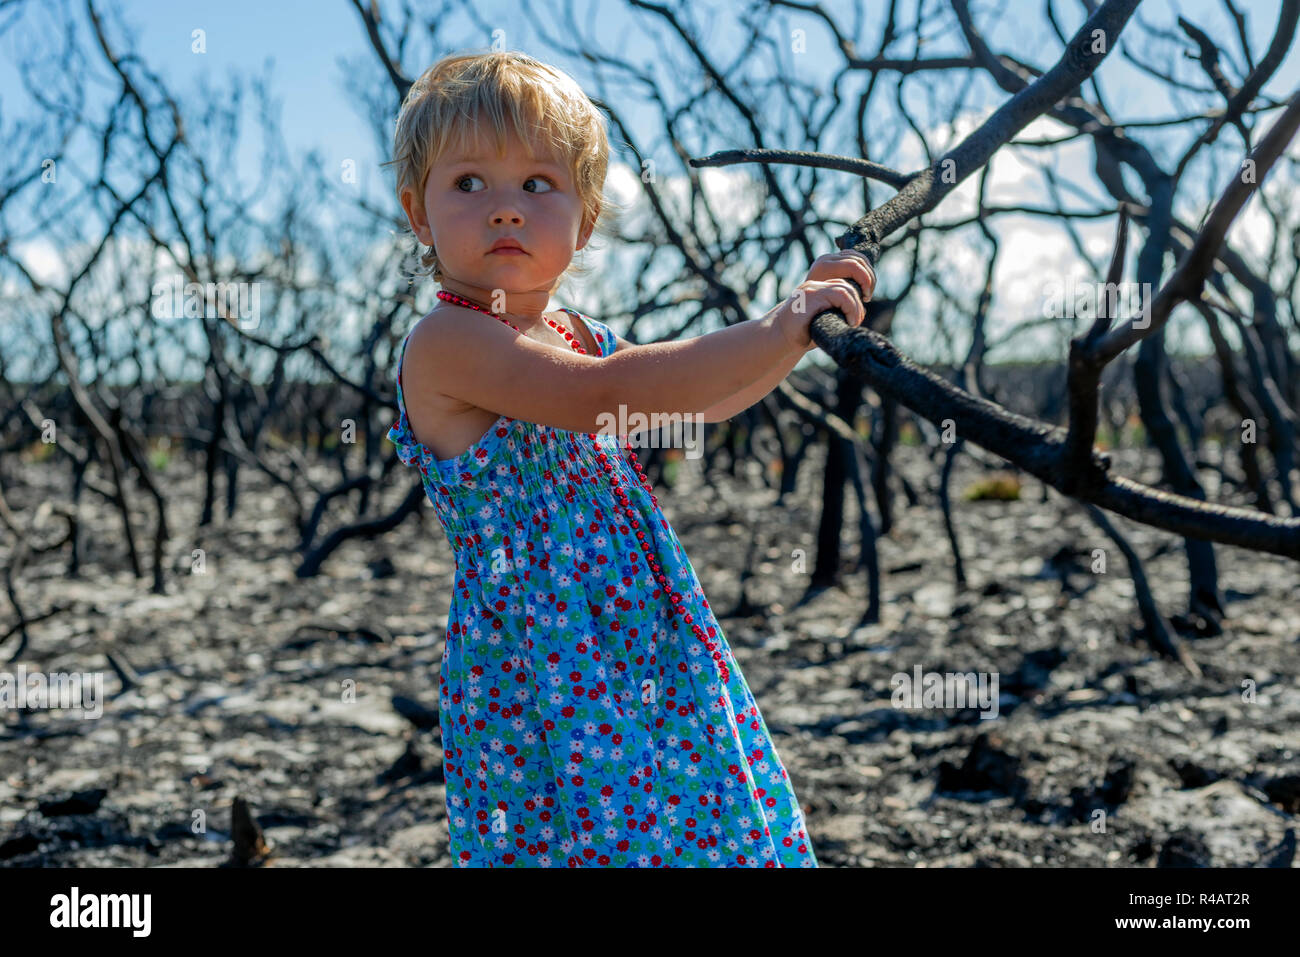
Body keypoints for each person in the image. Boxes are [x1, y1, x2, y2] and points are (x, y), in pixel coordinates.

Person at [385, 50, 875, 867]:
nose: (505, 210)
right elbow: (609, 393)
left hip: (641, 628)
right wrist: (785, 319)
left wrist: (794, 333)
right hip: (544, 657)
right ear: (418, 213)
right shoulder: (449, 340)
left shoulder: (578, 333)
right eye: (469, 183)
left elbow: (692, 400)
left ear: (582, 219)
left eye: (537, 184)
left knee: (689, 815)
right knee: (588, 835)